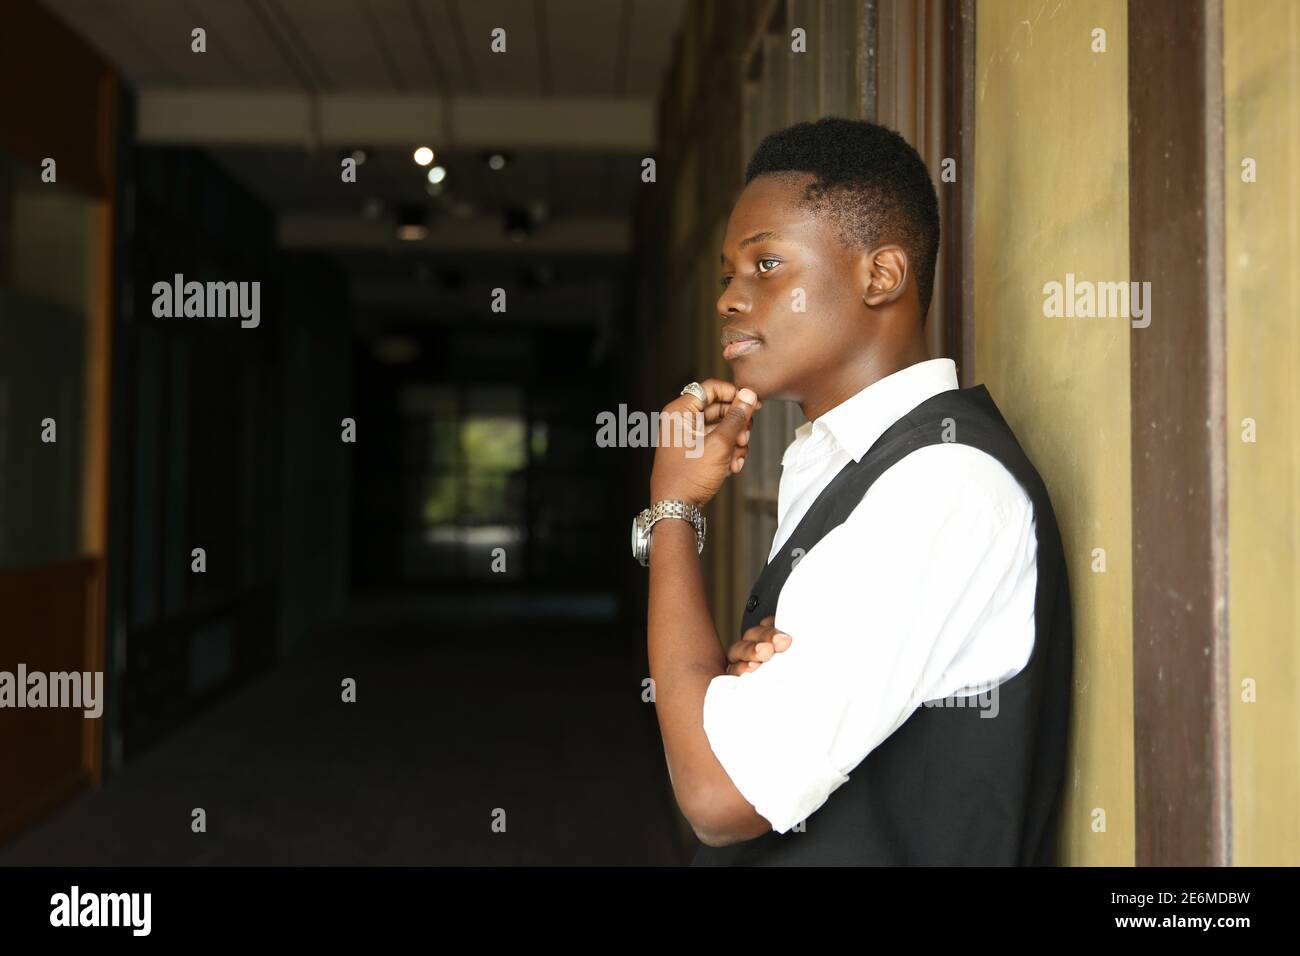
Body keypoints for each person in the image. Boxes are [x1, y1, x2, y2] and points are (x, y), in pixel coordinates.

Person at [639, 117, 1073, 865]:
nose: (728, 301)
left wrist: (673, 511)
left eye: (766, 265)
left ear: (882, 276)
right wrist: (740, 693)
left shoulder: (942, 483)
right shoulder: (840, 460)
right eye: (725, 275)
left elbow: (716, 796)